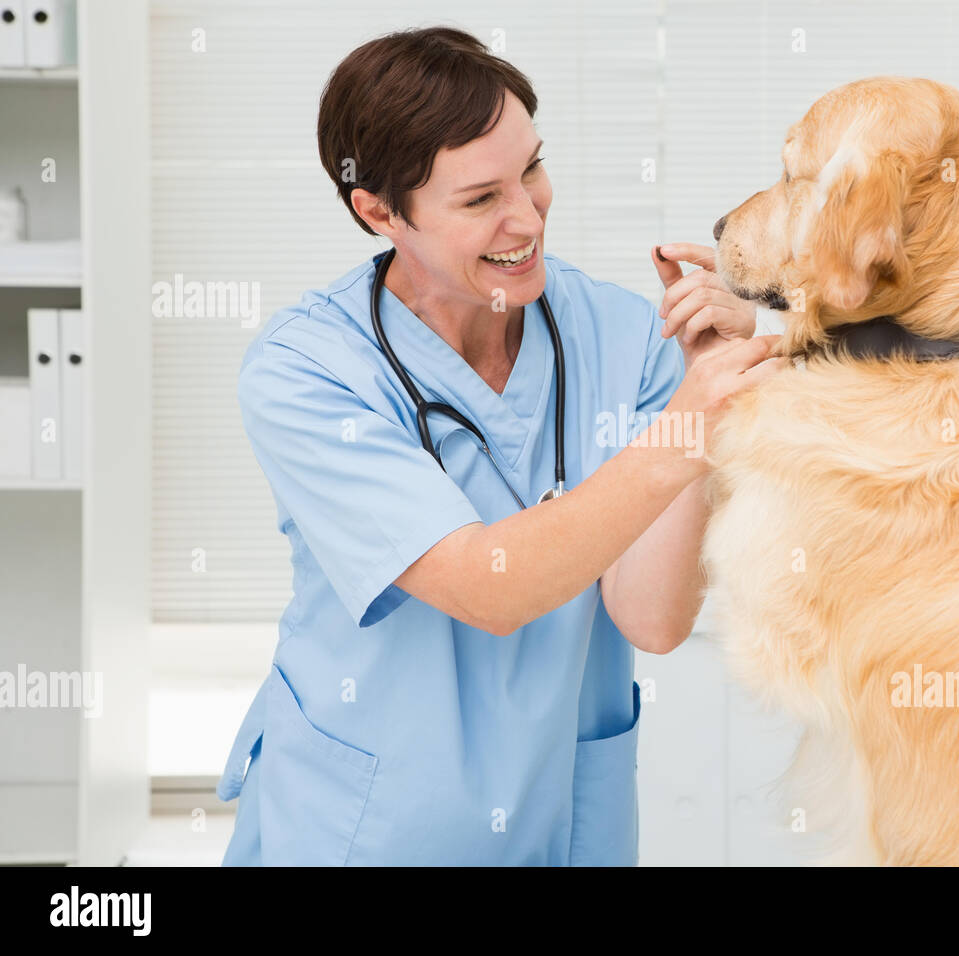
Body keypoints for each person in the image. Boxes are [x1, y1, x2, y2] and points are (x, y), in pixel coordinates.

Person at [216, 25, 782, 865]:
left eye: (533, 169)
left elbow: (652, 620)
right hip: (364, 827)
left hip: (563, 816)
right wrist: (681, 430)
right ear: (377, 211)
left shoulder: (626, 335)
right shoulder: (307, 373)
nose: (528, 215)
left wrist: (716, 401)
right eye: (481, 199)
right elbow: (492, 588)